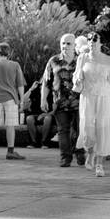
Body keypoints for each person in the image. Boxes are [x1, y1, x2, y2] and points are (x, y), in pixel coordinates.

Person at [74, 24, 110, 177]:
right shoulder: (82, 58)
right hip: (88, 97)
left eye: (95, 41)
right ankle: (90, 152)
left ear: (100, 43)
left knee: (103, 128)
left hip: (105, 97)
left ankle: (100, 164)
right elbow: (77, 76)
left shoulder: (108, 60)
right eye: (90, 41)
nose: (92, 43)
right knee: (88, 129)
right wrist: (77, 80)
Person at [40, 33, 86, 168]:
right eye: (63, 43)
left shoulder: (81, 60)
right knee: (63, 130)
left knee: (79, 130)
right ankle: (65, 158)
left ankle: (79, 153)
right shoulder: (53, 61)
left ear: (75, 46)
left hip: (79, 102)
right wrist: (43, 99)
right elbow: (46, 82)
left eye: (68, 43)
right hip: (59, 102)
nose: (65, 46)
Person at [22, 78, 53, 149]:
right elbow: (23, 100)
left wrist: (44, 114)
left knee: (48, 118)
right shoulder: (35, 92)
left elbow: (54, 109)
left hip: (47, 114)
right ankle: (33, 142)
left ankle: (44, 141)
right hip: (35, 114)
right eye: (41, 84)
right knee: (29, 118)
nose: (42, 86)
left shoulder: (50, 93)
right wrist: (31, 89)